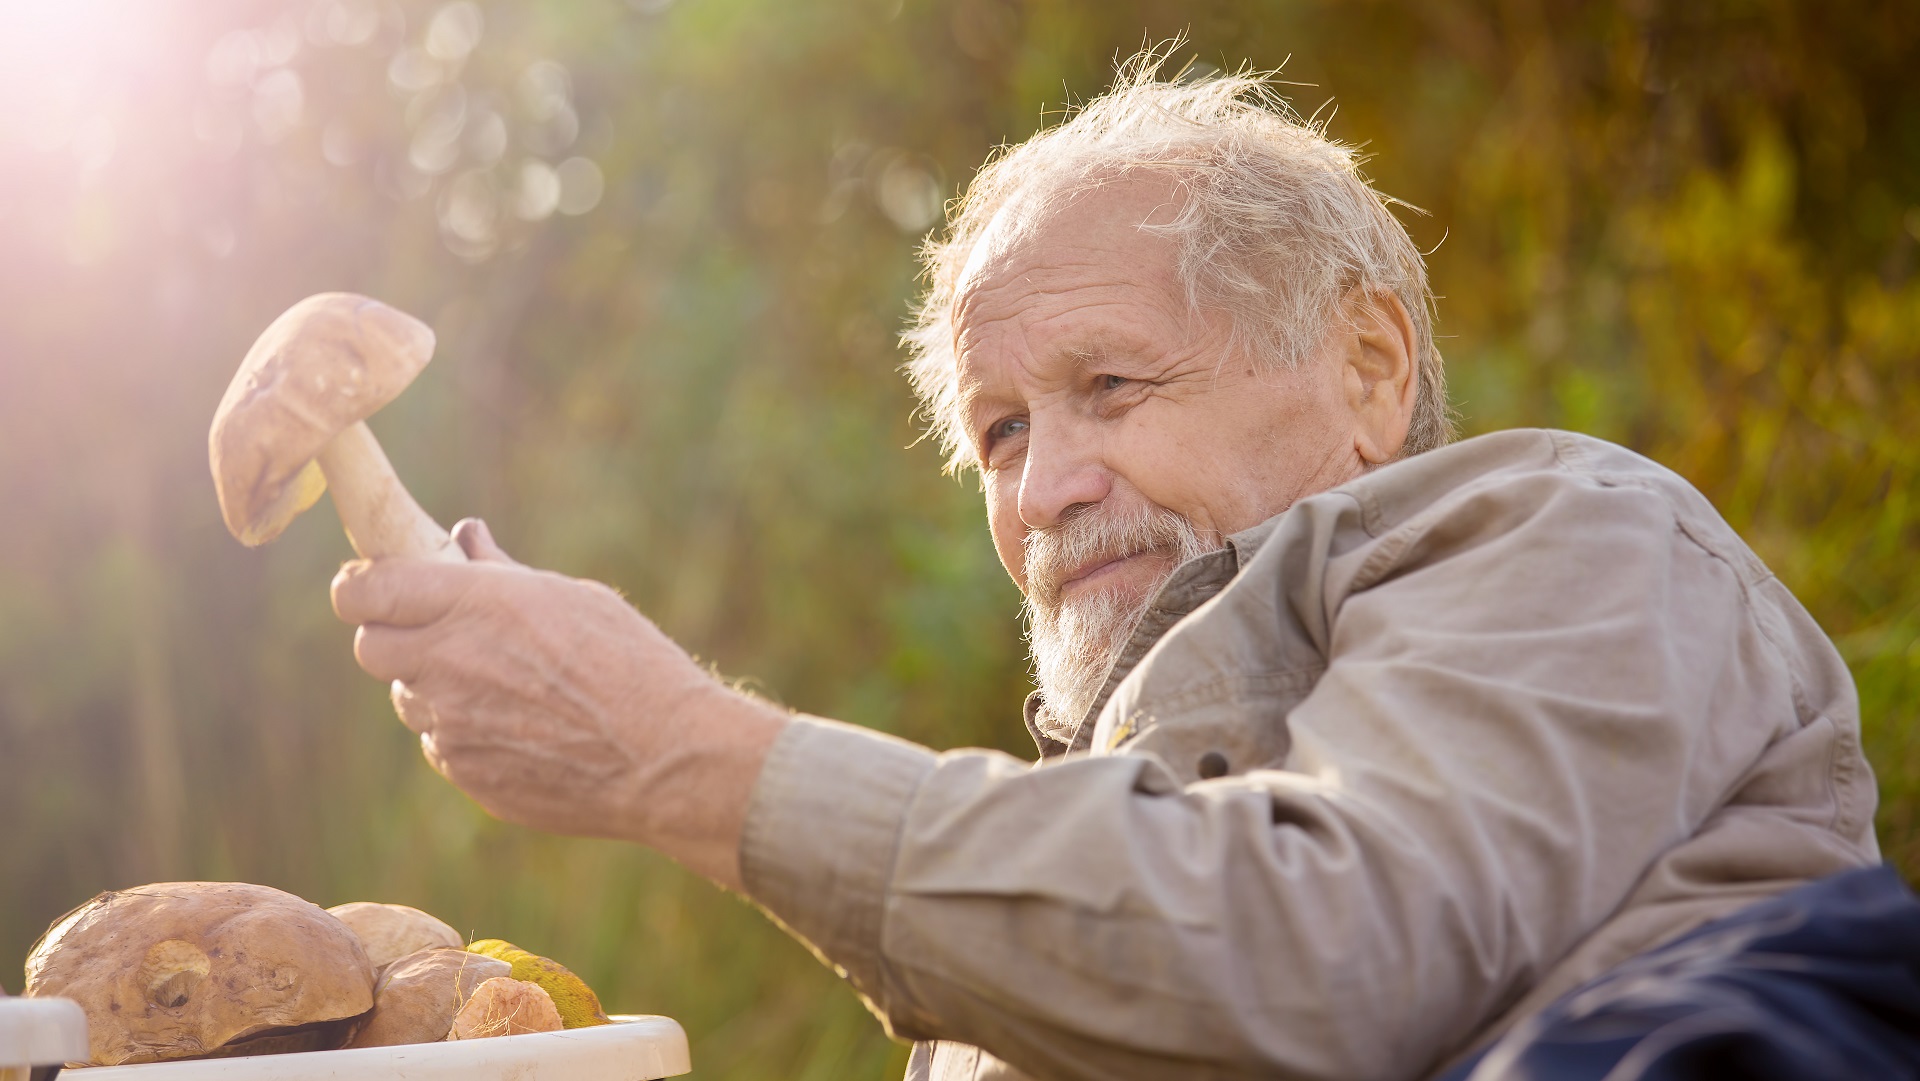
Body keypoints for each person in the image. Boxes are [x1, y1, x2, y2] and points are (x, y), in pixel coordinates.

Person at [329, 53, 1918, 1080]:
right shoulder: (1045, 905)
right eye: (1003, 431)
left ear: (1369, 365)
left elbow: (1332, 956)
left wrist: (675, 748)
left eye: (1111, 387)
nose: (1051, 489)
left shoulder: (1567, 535)